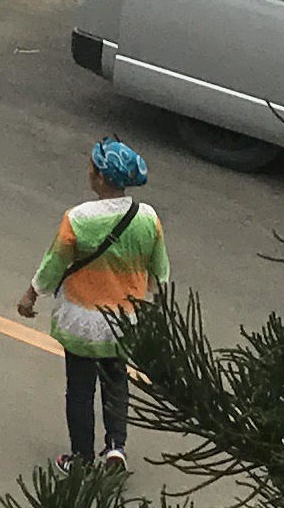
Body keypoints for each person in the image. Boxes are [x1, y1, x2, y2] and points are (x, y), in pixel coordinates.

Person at [18, 137, 170, 470]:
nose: (89, 172)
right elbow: (160, 272)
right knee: (116, 383)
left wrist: (32, 294)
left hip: (83, 322)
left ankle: (81, 457)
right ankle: (116, 447)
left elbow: (54, 264)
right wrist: (157, 310)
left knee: (80, 391)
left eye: (92, 168)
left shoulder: (78, 218)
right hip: (124, 321)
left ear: (101, 178)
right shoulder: (147, 218)